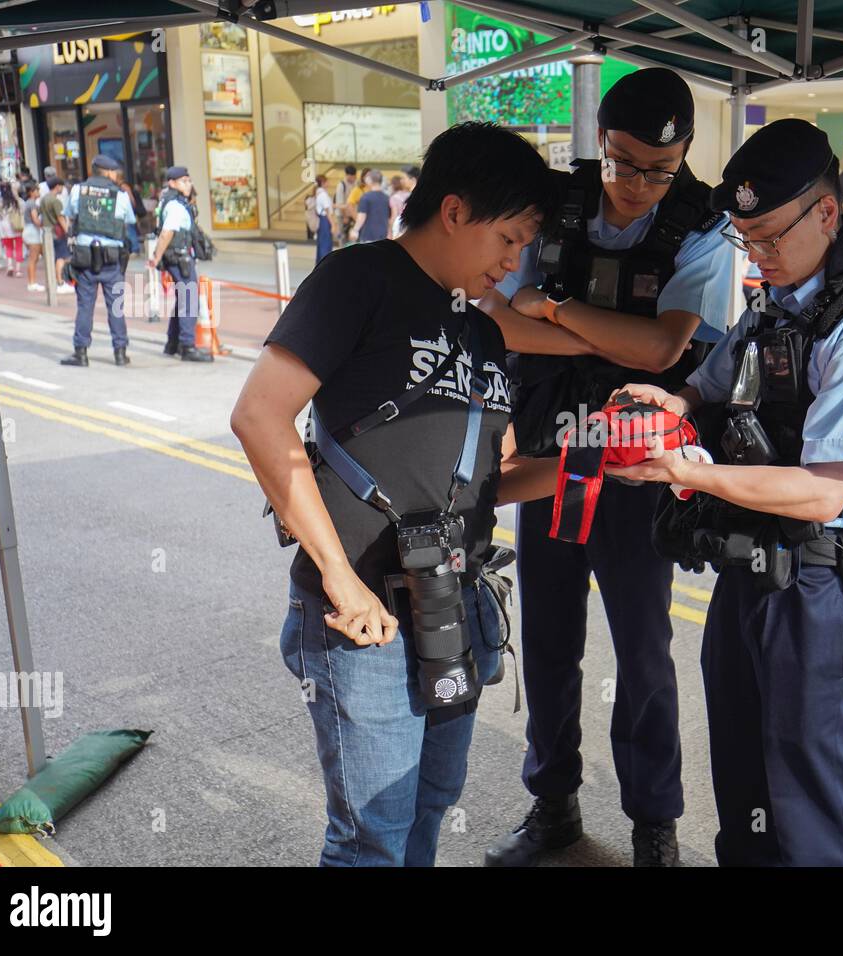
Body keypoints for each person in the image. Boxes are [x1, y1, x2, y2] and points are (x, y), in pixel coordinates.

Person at [605, 119, 843, 866]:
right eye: (745, 241)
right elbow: (713, 380)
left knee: (813, 806)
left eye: (768, 238)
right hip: (748, 569)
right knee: (745, 791)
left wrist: (688, 473)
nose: (756, 258)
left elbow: (827, 494)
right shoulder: (777, 301)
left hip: (820, 587)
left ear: (827, 213)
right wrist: (676, 407)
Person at [230, 121, 562, 867]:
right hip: (365, 618)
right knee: (371, 836)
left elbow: (488, 483)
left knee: (428, 810)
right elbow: (259, 414)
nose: (512, 264)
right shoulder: (358, 280)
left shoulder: (480, 331)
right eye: (507, 238)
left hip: (456, 605)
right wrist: (341, 583)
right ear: (454, 211)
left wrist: (585, 466)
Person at [478, 67, 734, 868]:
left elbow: (663, 351)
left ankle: (654, 827)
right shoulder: (552, 207)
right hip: (554, 454)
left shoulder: (704, 227)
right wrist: (611, 333)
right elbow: (499, 323)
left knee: (645, 654)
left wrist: (555, 310)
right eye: (622, 163)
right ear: (601, 143)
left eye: (660, 169)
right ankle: (551, 806)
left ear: (686, 155)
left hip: (634, 469)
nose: (637, 185)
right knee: (550, 642)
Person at [59, 153, 137, 367]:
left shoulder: (78, 190)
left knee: (85, 305)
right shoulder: (119, 195)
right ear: (109, 172)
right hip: (112, 258)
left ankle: (81, 353)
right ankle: (120, 353)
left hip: (84, 257)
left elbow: (69, 215)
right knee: (116, 307)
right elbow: (129, 219)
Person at [149, 166, 212, 363]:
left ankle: (173, 343)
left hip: (177, 256)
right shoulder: (175, 205)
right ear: (172, 183)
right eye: (184, 181)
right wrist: (156, 257)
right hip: (179, 257)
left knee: (183, 298)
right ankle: (187, 346)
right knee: (189, 299)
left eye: (189, 180)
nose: (188, 184)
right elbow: (167, 232)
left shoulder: (172, 201)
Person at [39, 177, 72, 294]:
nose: (62, 189)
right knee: (61, 257)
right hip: (57, 233)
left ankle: (53, 282)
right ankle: (60, 282)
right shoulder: (55, 201)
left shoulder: (44, 199)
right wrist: (68, 232)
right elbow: (60, 218)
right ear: (57, 186)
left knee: (53, 258)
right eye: (61, 186)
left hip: (47, 232)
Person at [0, 179, 25, 279]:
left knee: (8, 247)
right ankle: (18, 269)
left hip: (4, 226)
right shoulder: (16, 200)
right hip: (16, 226)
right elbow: (23, 209)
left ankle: (9, 265)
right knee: (18, 247)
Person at [352, 170, 390, 243]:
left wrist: (355, 230)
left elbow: (361, 216)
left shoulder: (365, 197)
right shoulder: (387, 198)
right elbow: (389, 218)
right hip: (383, 236)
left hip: (368, 236)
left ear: (369, 180)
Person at [22, 182, 45, 292]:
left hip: (29, 231)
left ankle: (32, 282)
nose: (38, 192)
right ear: (31, 192)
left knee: (34, 258)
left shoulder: (29, 203)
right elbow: (35, 219)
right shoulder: (32, 204)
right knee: (33, 258)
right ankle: (32, 283)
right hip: (32, 231)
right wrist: (43, 226)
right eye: (36, 190)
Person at [309, 175, 334, 262]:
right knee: (325, 245)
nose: (328, 183)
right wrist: (333, 225)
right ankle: (325, 264)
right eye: (327, 181)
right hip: (325, 220)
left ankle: (320, 264)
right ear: (323, 183)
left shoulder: (318, 193)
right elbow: (328, 212)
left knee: (321, 244)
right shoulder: (323, 194)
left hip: (322, 220)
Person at [334, 164, 359, 245]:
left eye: (354, 176)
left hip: (352, 214)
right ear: (347, 175)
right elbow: (340, 204)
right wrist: (345, 217)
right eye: (351, 177)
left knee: (352, 238)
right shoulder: (341, 185)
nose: (353, 178)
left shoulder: (356, 183)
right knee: (343, 237)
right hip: (342, 216)